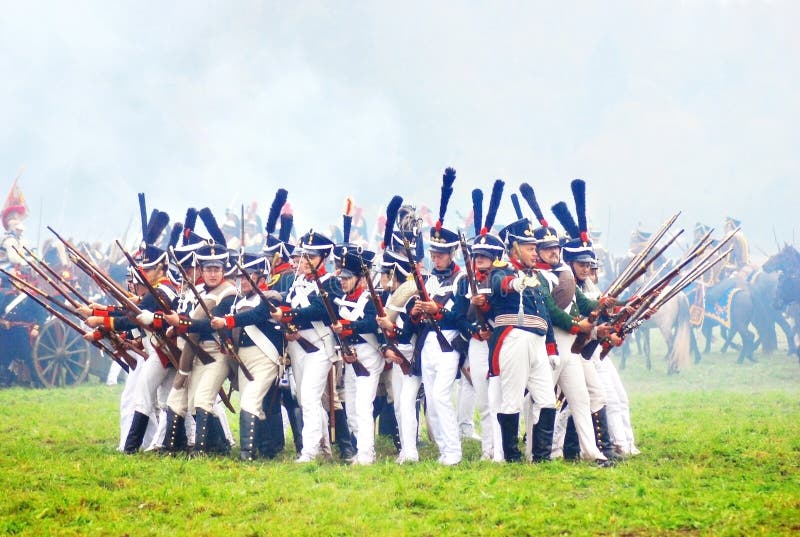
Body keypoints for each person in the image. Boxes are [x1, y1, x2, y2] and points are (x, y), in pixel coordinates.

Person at [409, 168, 469, 466]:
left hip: (449, 341)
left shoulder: (462, 279)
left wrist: (438, 310)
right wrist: (417, 312)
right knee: (431, 401)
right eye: (434, 254)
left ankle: (454, 452)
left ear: (452, 252)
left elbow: (461, 315)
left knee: (442, 396)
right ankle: (445, 448)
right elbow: (417, 314)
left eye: (441, 254)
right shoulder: (429, 279)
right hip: (428, 343)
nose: (436, 258)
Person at [269, 230, 343, 463]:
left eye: (311, 256)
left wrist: (289, 315)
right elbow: (287, 305)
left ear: (323, 258)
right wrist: (285, 322)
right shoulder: (297, 282)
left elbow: (320, 310)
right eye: (305, 256)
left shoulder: (332, 283)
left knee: (310, 396)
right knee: (304, 398)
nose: (305, 261)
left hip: (319, 344)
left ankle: (309, 450)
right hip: (297, 344)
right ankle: (323, 446)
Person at [210, 252, 285, 460]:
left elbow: (256, 315)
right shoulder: (238, 301)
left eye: (248, 276)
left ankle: (247, 454)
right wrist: (225, 338)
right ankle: (267, 449)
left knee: (249, 402)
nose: (242, 281)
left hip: (265, 357)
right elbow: (230, 324)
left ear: (262, 278)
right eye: (240, 277)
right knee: (253, 404)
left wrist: (227, 321)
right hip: (243, 358)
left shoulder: (272, 297)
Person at [330, 249, 385, 465]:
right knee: (352, 408)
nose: (343, 282)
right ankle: (360, 449)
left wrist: (348, 326)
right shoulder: (344, 300)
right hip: (350, 357)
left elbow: (372, 323)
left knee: (363, 406)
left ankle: (366, 454)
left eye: (348, 278)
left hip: (368, 355)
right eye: (342, 278)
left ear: (360, 279)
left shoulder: (369, 299)